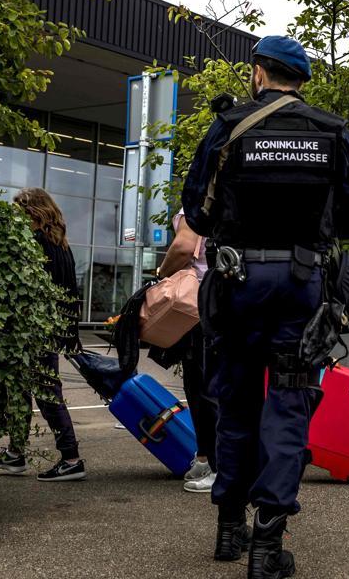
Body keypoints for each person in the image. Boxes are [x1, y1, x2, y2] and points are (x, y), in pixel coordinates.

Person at [182, 36, 349, 578]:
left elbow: (196, 209)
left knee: (234, 402)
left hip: (237, 282)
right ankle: (267, 546)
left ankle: (227, 528)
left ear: (258, 73)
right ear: (301, 80)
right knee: (288, 405)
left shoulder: (228, 126)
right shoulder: (332, 130)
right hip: (301, 284)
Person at [0, 187, 86, 481]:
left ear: (33, 212)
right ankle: (16, 454)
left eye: (19, 212)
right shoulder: (60, 244)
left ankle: (71, 459)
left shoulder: (39, 244)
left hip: (38, 331)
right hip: (46, 329)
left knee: (46, 393)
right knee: (20, 392)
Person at [155, 209, 217, 494]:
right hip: (225, 300)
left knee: (204, 388)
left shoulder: (196, 206)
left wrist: (161, 273)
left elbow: (182, 247)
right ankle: (205, 459)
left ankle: (220, 467)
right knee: (200, 385)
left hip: (203, 303)